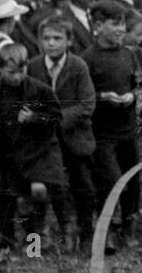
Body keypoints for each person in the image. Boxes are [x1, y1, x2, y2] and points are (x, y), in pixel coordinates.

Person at [84, 0, 142, 246]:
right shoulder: (88, 58)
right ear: (98, 26)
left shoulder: (130, 55)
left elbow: (141, 84)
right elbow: (82, 96)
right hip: (102, 132)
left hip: (128, 129)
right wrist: (102, 97)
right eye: (114, 24)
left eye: (122, 24)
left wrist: (133, 96)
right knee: (110, 180)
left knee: (132, 179)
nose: (120, 30)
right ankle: (104, 228)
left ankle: (128, 227)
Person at [0, 42, 67, 250]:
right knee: (21, 201)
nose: (17, 77)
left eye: (21, 71)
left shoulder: (41, 90)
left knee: (38, 190)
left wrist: (35, 118)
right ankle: (33, 245)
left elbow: (57, 118)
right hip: (12, 154)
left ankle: (43, 228)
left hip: (40, 151)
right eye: (11, 72)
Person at [28, 17, 97, 251]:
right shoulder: (34, 66)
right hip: (44, 139)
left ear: (69, 40)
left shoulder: (78, 66)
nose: (51, 44)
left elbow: (87, 104)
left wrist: (57, 120)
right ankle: (51, 232)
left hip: (74, 136)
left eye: (57, 38)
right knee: (47, 187)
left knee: (83, 185)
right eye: (46, 38)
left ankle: (86, 231)